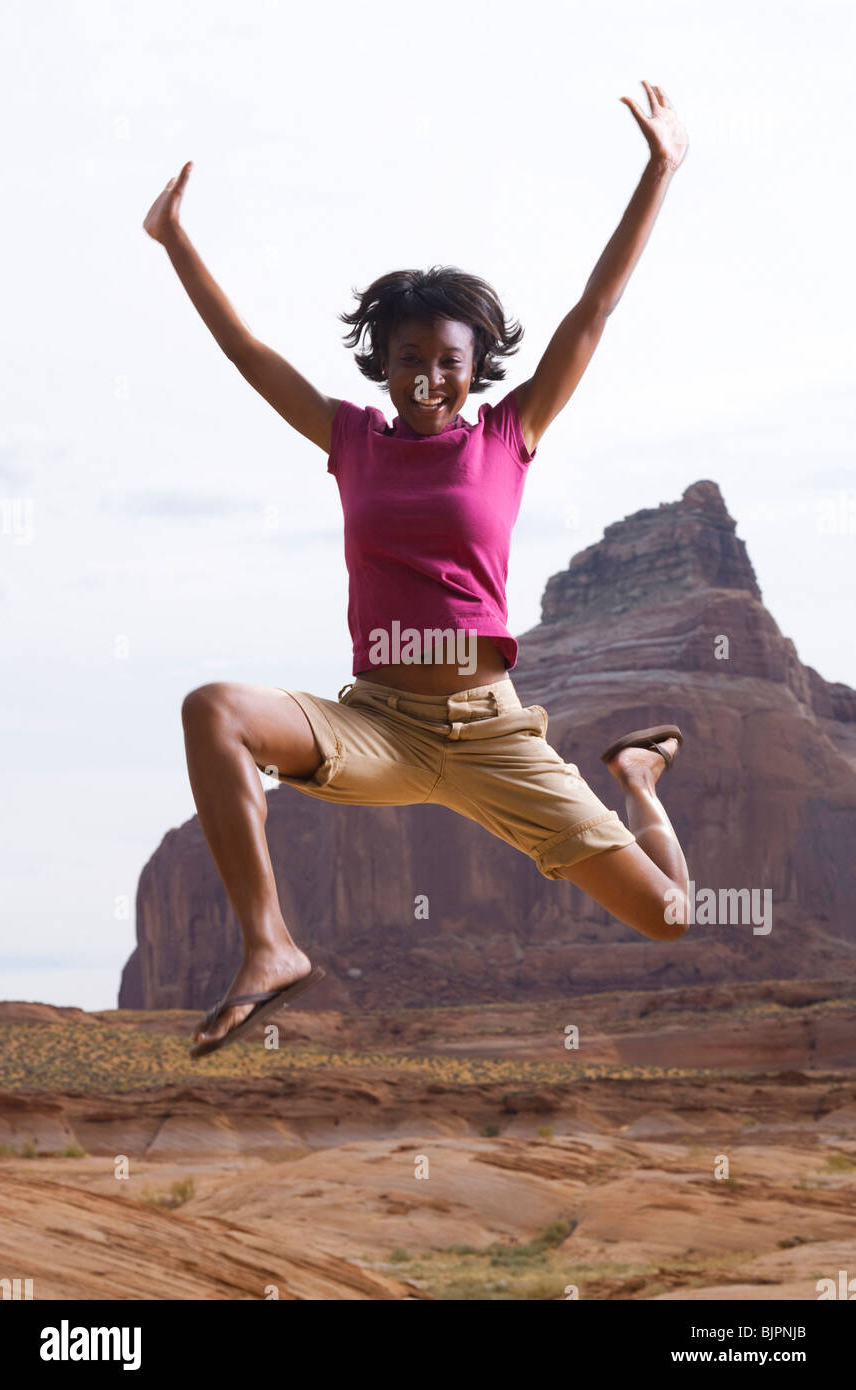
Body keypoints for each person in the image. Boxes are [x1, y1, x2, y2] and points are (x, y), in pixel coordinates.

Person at [142, 80, 691, 1060]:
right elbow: (242, 350)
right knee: (212, 708)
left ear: (475, 367)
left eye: (446, 360)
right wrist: (177, 243)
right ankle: (269, 948)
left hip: (491, 734)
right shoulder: (350, 439)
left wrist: (658, 170)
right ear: (382, 363)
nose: (425, 377)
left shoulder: (509, 434)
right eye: (405, 358)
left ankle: (636, 777)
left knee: (669, 917)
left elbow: (594, 308)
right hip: (377, 724)